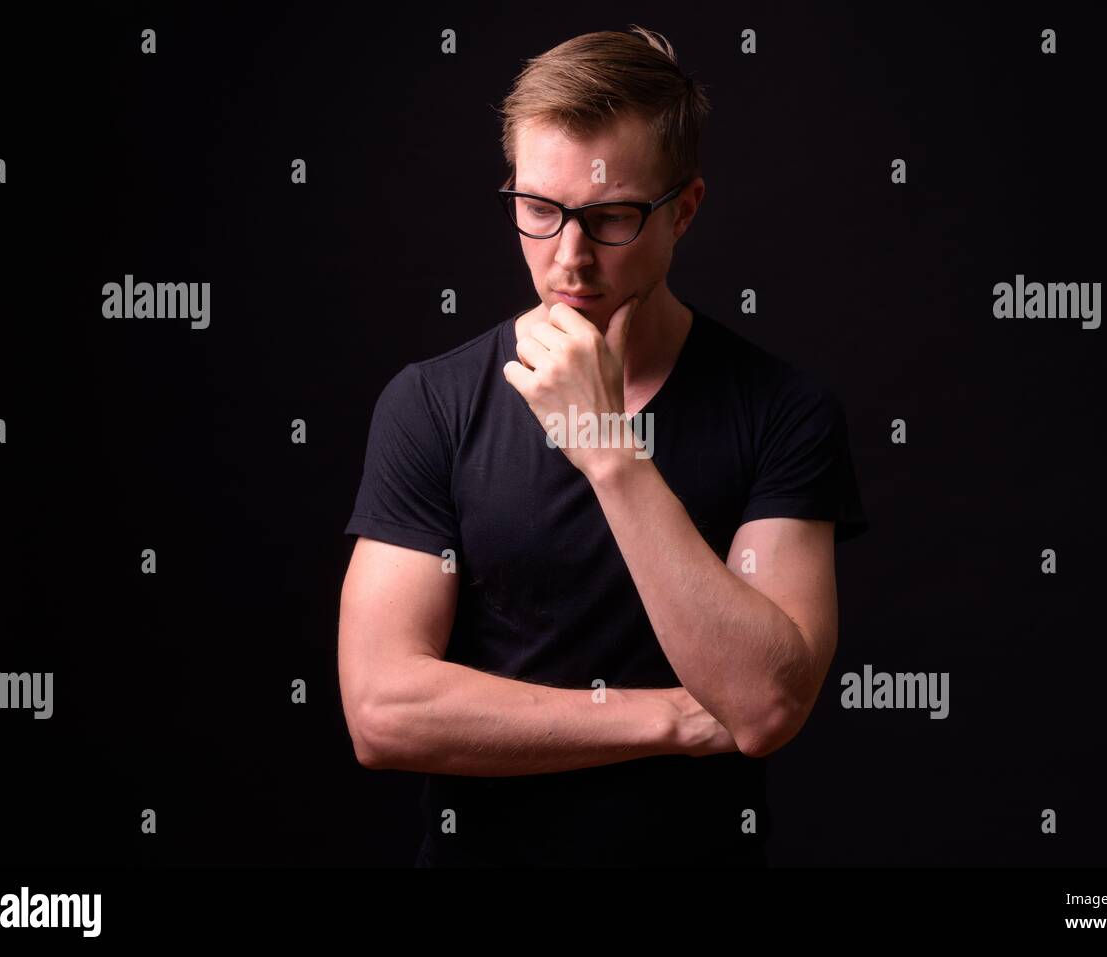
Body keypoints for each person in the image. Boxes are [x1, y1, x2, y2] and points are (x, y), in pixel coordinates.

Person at [338, 25, 870, 867]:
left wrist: (607, 449)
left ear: (683, 210)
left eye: (611, 216)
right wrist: (672, 718)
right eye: (539, 211)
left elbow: (764, 706)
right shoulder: (430, 403)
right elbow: (382, 710)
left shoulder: (782, 410)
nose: (569, 259)